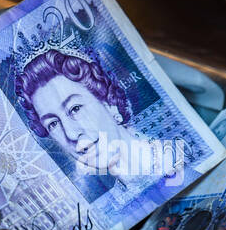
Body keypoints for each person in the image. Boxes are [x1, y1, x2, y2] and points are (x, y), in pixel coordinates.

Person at [15, 46, 173, 199]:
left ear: (109, 103)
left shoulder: (177, 157)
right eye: (53, 124)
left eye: (75, 108)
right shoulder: (116, 209)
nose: (71, 134)